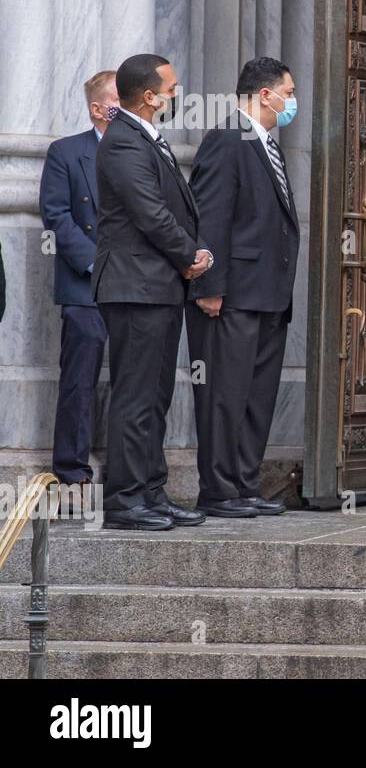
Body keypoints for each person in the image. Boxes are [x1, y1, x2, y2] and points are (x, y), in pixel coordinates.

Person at [94, 54, 212, 531]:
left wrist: (189, 255)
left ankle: (151, 492)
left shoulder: (146, 137)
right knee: (135, 394)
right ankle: (125, 500)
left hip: (156, 286)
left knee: (156, 395)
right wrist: (191, 255)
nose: (176, 95)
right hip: (134, 285)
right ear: (149, 96)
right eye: (172, 87)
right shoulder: (124, 140)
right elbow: (150, 212)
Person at [184, 57, 300, 518]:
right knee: (224, 395)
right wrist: (210, 286)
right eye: (288, 94)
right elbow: (210, 216)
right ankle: (217, 489)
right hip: (229, 296)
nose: (292, 102)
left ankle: (245, 483)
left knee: (256, 396)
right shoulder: (227, 139)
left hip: (268, 294)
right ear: (264, 94)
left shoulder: (268, 143)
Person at [38, 70, 117, 487]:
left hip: (134, 287)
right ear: (98, 108)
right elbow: (57, 216)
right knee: (78, 381)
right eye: (121, 98)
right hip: (85, 286)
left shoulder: (144, 152)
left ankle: (130, 474)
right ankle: (71, 472)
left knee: (134, 384)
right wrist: (95, 264)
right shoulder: (65, 152)